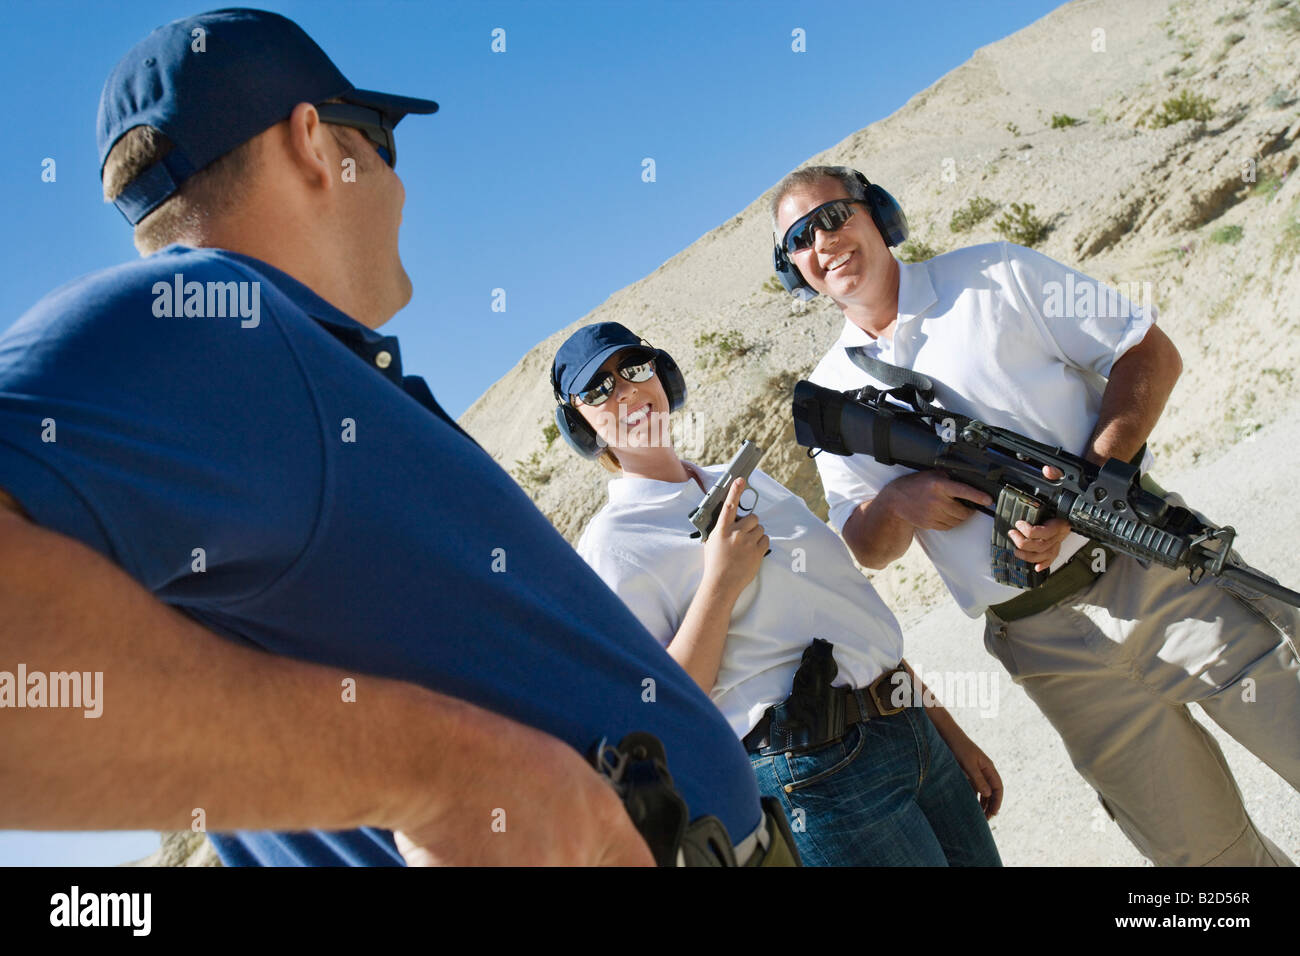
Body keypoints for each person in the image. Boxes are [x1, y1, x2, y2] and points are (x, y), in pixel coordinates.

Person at [0, 8, 773, 867]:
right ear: (312, 143)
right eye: (382, 144)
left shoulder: (282, 362)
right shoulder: (216, 324)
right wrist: (439, 774)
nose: (401, 187)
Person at [774, 164, 1300, 866]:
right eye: (800, 238)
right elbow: (861, 544)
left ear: (878, 214)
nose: (823, 242)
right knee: (1203, 859)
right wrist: (901, 501)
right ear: (794, 269)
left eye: (834, 216)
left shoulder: (992, 274)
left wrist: (1097, 488)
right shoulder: (834, 396)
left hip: (1151, 574)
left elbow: (1147, 352)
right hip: (1045, 649)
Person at [552, 321, 1004, 866]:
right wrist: (720, 583)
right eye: (598, 390)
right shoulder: (613, 544)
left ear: (660, 373)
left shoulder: (749, 481)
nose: (624, 390)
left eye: (632, 368)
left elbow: (843, 617)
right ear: (582, 423)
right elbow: (660, 708)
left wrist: (946, 732)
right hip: (819, 773)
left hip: (909, 729)